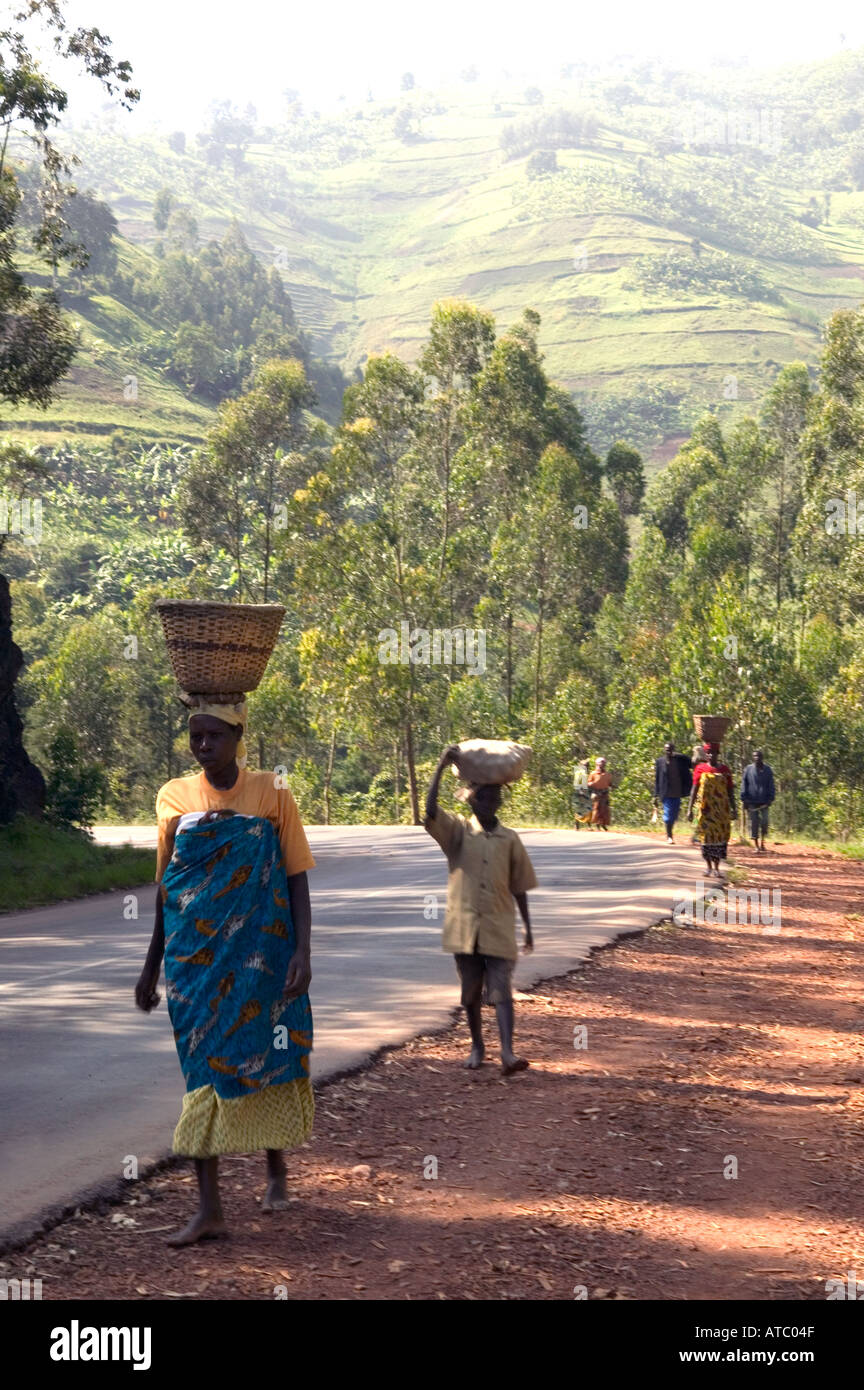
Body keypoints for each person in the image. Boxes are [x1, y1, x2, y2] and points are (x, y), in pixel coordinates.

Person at [135, 698, 316, 1247]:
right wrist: (151, 967)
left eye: (215, 735)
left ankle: (276, 1168)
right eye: (196, 737)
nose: (204, 746)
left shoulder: (272, 792)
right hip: (193, 962)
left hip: (262, 950)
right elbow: (169, 888)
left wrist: (302, 951)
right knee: (203, 1070)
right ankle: (209, 1208)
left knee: (262, 1051)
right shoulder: (173, 797)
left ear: (239, 738)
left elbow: (295, 877)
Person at [425, 744, 537, 1076]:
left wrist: (529, 928)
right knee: (470, 993)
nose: (492, 804)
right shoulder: (458, 832)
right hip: (464, 928)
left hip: (500, 927)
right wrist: (440, 767)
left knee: (502, 990)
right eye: (485, 799)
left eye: (496, 799)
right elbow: (429, 812)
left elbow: (519, 887)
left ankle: (507, 1052)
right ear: (473, 800)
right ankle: (477, 1045)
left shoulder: (510, 839)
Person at [687, 742, 736, 878]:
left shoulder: (724, 770)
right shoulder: (700, 769)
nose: (711, 755)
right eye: (708, 753)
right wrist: (690, 809)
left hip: (721, 812)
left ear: (717, 754)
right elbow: (694, 790)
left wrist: (734, 809)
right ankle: (708, 867)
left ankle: (717, 868)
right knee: (706, 840)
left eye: (713, 753)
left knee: (719, 840)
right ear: (706, 754)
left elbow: (730, 791)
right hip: (705, 811)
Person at [653, 740, 693, 843]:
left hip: (677, 792)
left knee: (674, 815)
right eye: (666, 750)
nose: (668, 753)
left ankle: (669, 832)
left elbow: (690, 761)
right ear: (664, 751)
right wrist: (655, 795)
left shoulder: (679, 761)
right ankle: (669, 836)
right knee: (668, 815)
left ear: (673, 750)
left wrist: (678, 754)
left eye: (670, 750)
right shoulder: (660, 762)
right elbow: (657, 779)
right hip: (666, 792)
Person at [741, 749, 775, 853]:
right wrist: (744, 799)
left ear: (762, 758)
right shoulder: (748, 769)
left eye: (759, 756)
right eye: (755, 756)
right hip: (752, 801)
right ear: (753, 758)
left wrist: (771, 798)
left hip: (764, 801)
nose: (757, 758)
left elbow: (771, 785)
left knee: (765, 821)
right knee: (754, 822)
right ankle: (756, 845)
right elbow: (744, 784)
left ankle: (762, 843)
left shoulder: (768, 770)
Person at [588, 756, 612, 830]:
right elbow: (588, 782)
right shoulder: (593, 773)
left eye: (603, 763)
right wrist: (593, 783)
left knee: (605, 809)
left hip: (604, 793)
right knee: (597, 808)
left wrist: (612, 786)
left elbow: (609, 783)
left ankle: (603, 824)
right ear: (597, 764)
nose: (602, 765)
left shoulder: (608, 774)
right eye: (600, 763)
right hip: (596, 793)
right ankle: (597, 824)